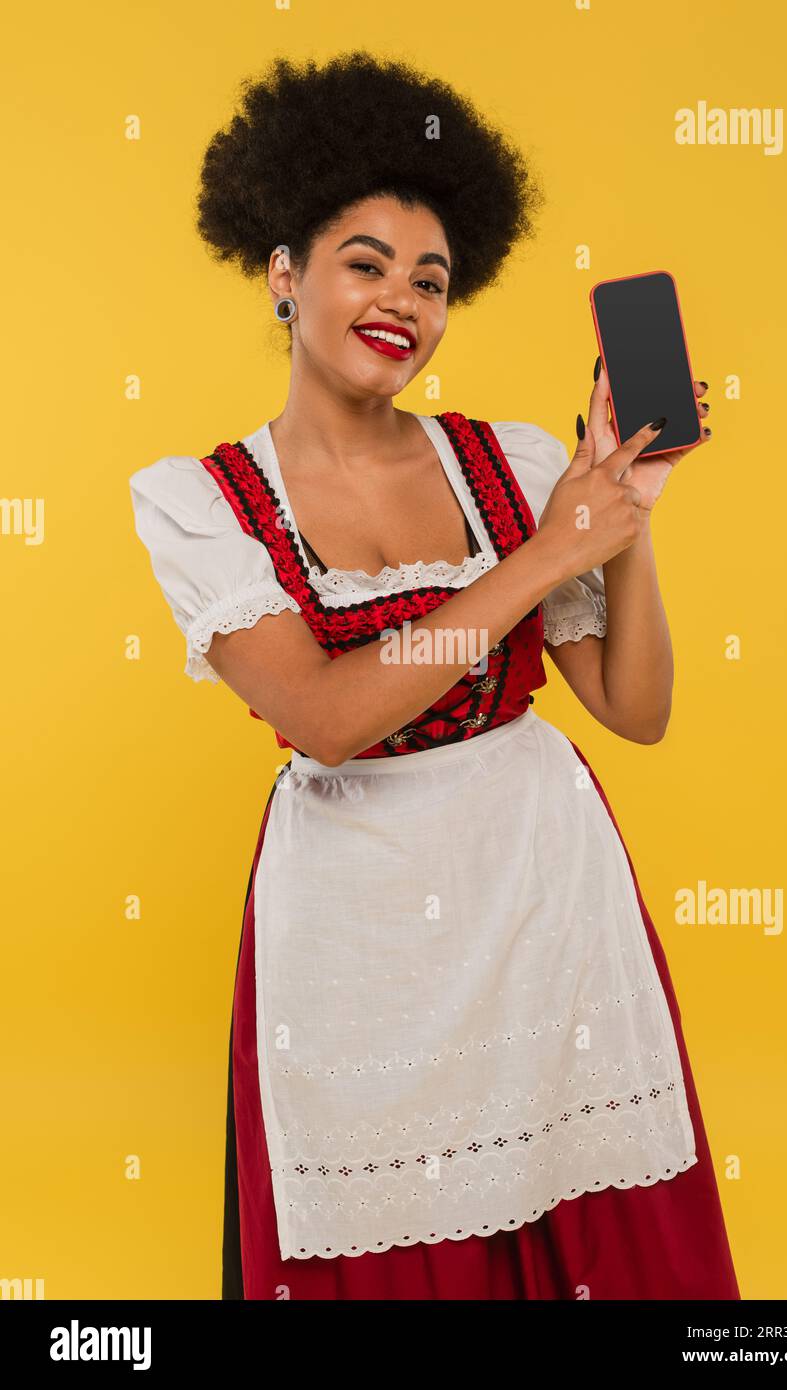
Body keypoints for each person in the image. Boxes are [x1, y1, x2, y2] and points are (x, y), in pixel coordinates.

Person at [129, 50, 736, 1301]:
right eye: (365, 262)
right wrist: (542, 554)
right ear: (284, 273)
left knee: (596, 1222)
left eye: (433, 278)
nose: (401, 299)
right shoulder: (199, 501)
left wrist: (625, 514)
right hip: (355, 920)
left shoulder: (510, 459)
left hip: (541, 888)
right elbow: (327, 718)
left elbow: (637, 709)